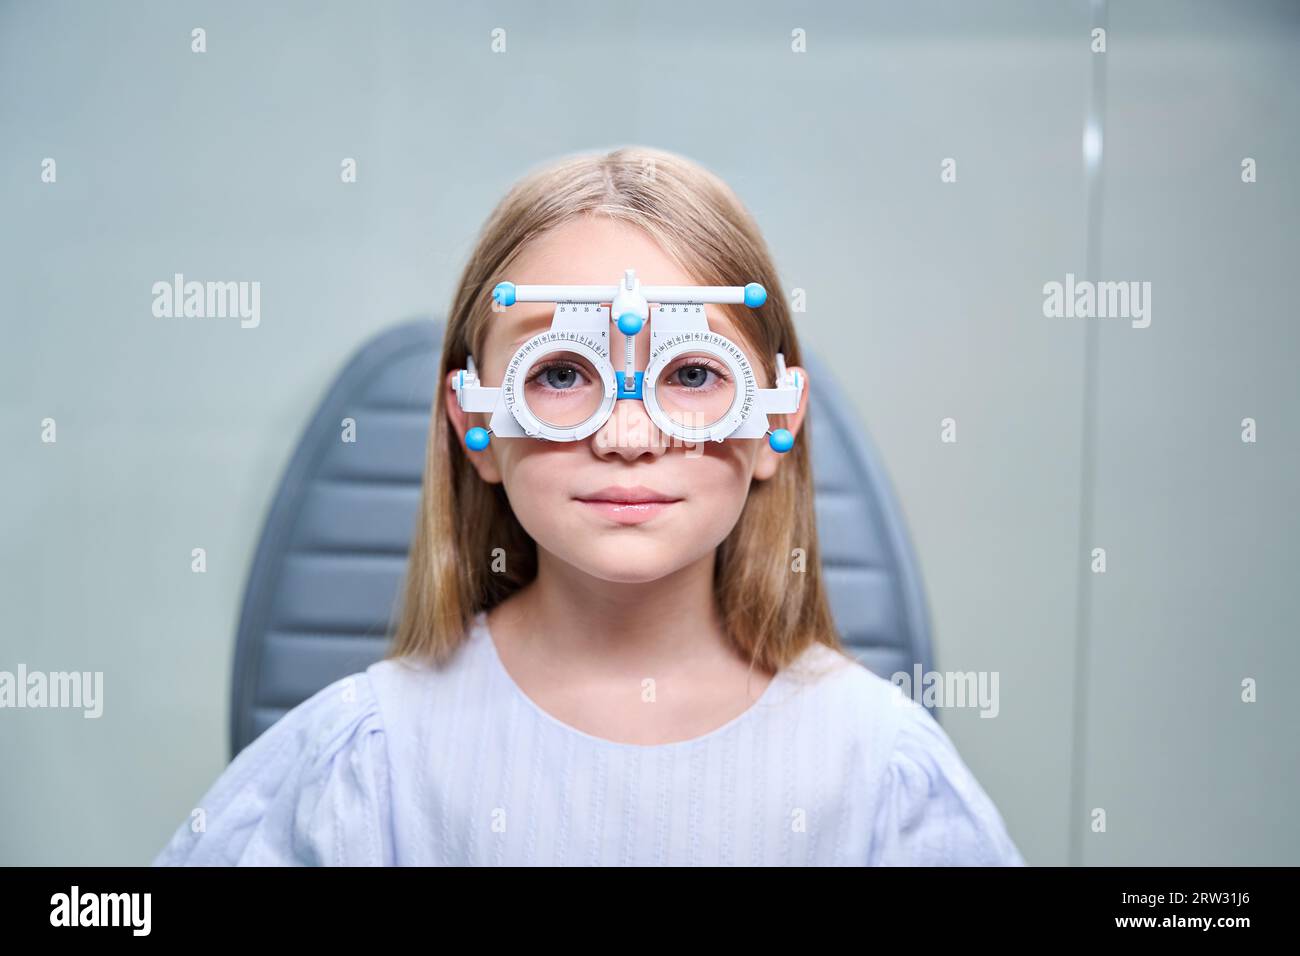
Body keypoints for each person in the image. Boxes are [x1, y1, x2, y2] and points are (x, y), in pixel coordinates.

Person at [153, 147, 1025, 866]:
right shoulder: (369, 762)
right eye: (562, 374)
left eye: (692, 374)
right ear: (476, 426)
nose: (631, 434)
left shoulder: (879, 770)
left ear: (775, 423)